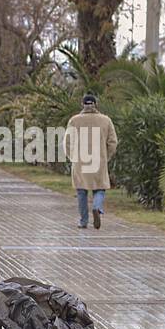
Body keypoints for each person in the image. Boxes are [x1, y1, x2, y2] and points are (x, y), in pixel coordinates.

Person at [64, 92, 118, 229]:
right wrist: (107, 156)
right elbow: (113, 142)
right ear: (96, 104)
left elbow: (67, 142)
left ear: (82, 104)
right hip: (98, 160)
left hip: (80, 161)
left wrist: (72, 157)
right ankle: (97, 207)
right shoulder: (106, 120)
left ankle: (83, 221)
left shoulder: (74, 120)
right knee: (100, 188)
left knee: (81, 191)